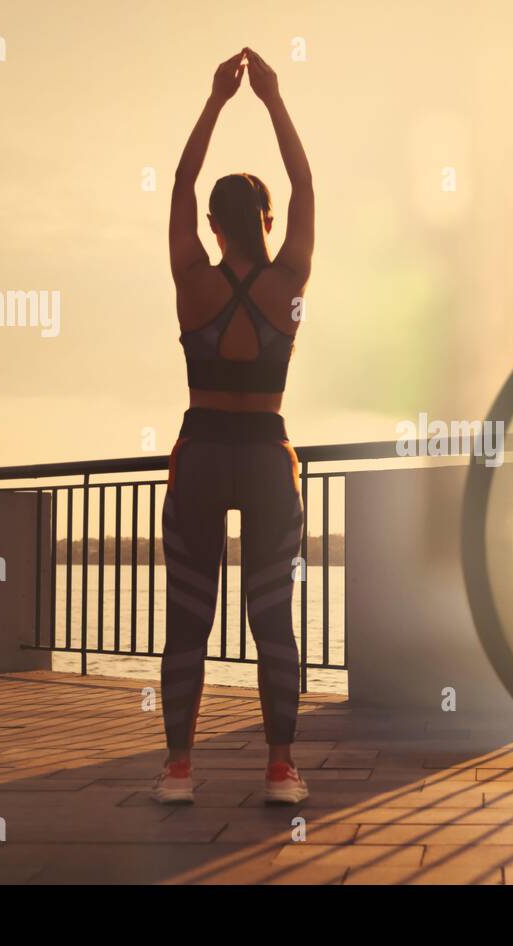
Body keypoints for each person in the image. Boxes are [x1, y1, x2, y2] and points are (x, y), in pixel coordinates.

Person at [152, 48, 314, 806]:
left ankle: (178, 772)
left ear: (213, 226)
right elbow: (308, 183)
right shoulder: (288, 283)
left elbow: (181, 183)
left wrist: (217, 102)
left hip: (203, 452)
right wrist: (273, 100)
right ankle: (281, 770)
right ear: (269, 222)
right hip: (265, 457)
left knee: (189, 611)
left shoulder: (193, 281)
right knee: (271, 617)